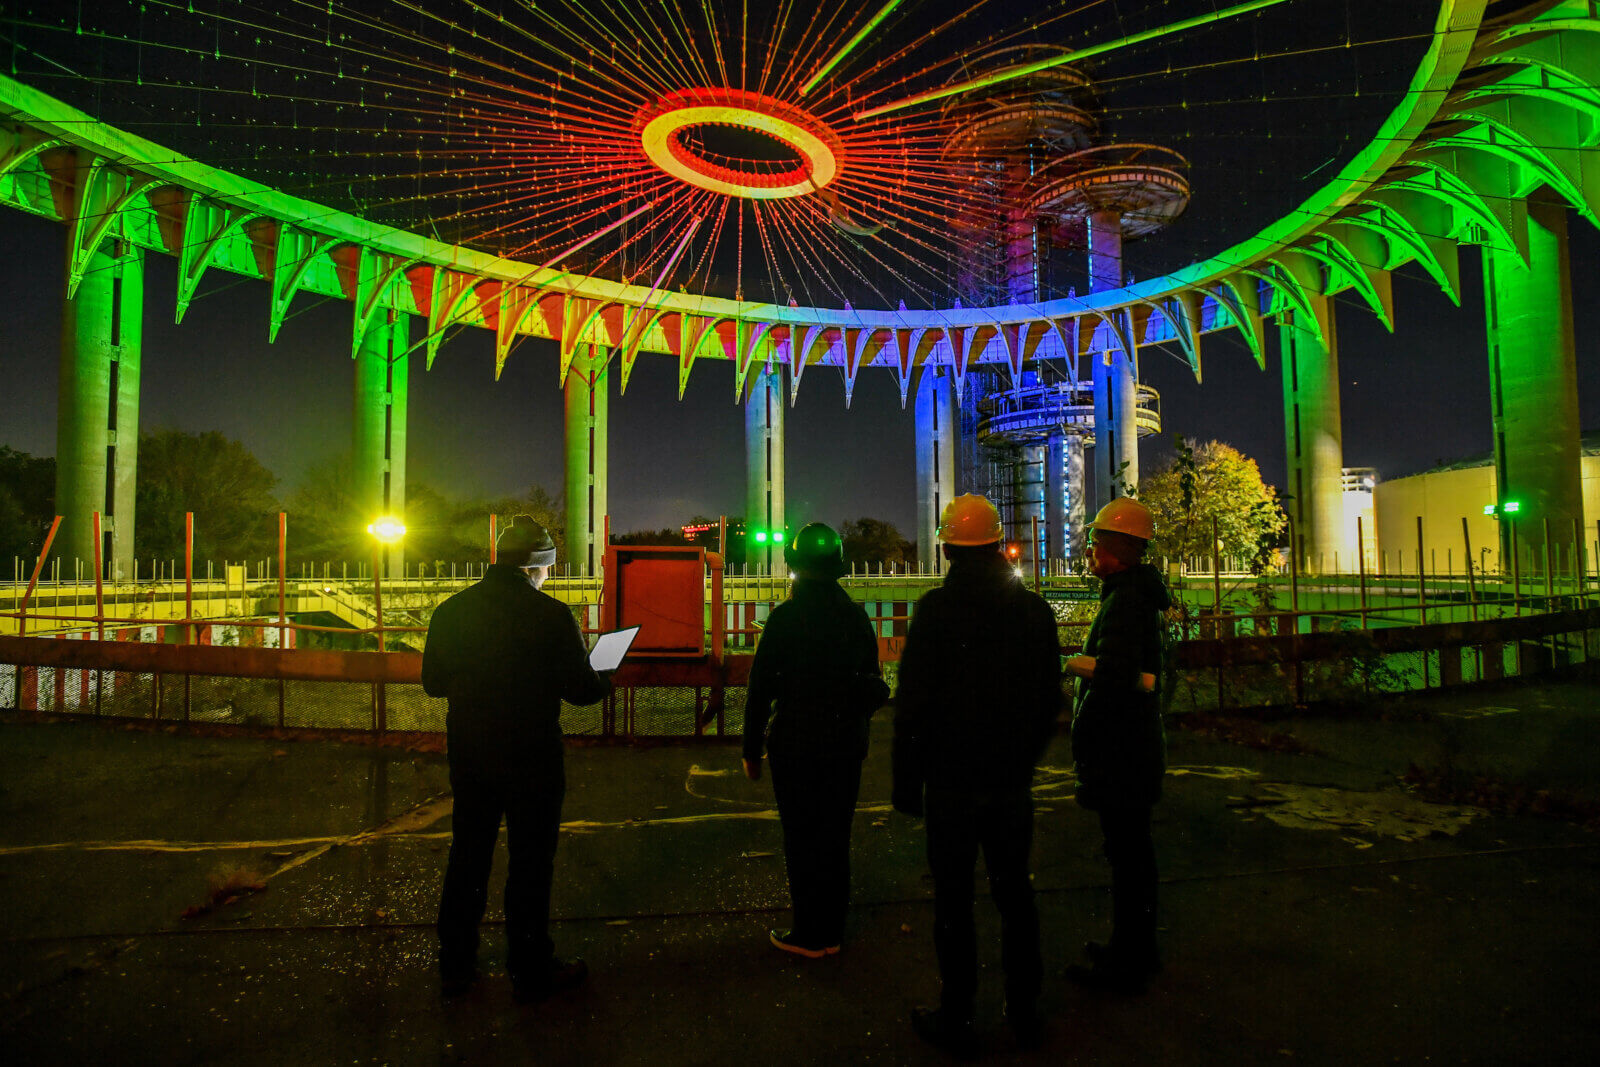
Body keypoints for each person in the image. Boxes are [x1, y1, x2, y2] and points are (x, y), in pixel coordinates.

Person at [892, 494, 1062, 1055]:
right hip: (1010, 783)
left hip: (951, 784)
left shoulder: (935, 612)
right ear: (996, 545)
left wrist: (906, 782)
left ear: (946, 547)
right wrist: (1023, 760)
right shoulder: (1034, 611)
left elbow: (912, 703)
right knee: (1015, 895)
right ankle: (1025, 1009)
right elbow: (1048, 701)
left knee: (954, 902)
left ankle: (958, 1011)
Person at [421, 515, 611, 1001]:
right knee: (530, 861)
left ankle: (456, 964)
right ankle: (529, 966)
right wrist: (605, 670)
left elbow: (433, 683)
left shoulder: (452, 611)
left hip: (471, 751)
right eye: (547, 568)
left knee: (469, 852)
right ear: (535, 567)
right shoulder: (550, 616)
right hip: (533, 756)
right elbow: (581, 691)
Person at [742, 522, 889, 959]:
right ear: (839, 566)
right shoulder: (855, 616)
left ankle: (809, 932)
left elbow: (760, 686)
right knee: (834, 835)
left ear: (794, 564)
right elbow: (874, 683)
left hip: (796, 746)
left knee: (802, 836)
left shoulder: (786, 618)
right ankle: (832, 931)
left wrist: (752, 750)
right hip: (845, 745)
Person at [1063, 497, 1170, 994]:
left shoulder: (1126, 602)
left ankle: (1129, 960)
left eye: (1094, 542)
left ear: (1116, 548)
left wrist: (1076, 664)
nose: (1088, 550)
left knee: (1128, 857)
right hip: (1133, 747)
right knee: (1130, 854)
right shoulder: (1129, 595)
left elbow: (1120, 674)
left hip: (1123, 751)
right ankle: (1131, 947)